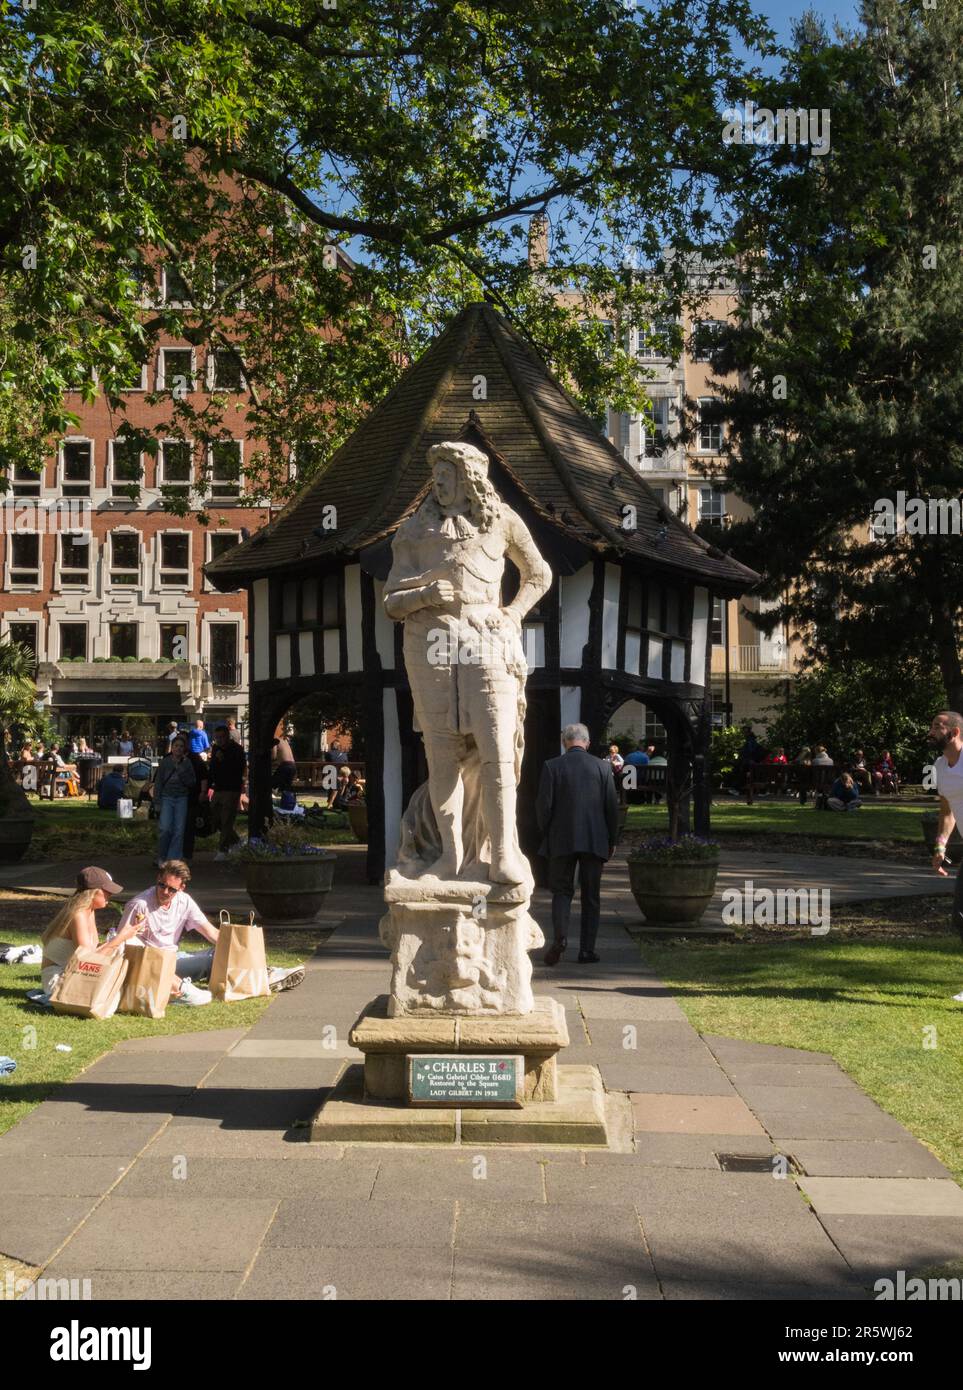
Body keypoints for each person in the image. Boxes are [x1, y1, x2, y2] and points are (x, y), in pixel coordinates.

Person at [106, 860, 305, 1003]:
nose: (165, 892)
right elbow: (122, 943)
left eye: (172, 889)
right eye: (162, 885)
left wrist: (241, 950)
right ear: (158, 879)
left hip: (174, 958)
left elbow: (212, 934)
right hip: (151, 963)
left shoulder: (184, 902)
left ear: (182, 888)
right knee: (209, 962)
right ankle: (261, 979)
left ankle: (264, 974)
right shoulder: (139, 904)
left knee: (217, 953)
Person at [536, 722, 620, 966]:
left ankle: (560, 938)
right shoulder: (603, 768)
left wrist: (548, 832)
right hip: (594, 839)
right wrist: (611, 839)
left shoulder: (552, 766)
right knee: (591, 896)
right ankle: (587, 950)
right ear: (588, 743)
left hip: (561, 839)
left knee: (561, 892)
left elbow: (543, 807)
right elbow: (611, 808)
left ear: (565, 742)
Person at [37, 867, 125, 1006]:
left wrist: (117, 942)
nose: (111, 894)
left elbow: (92, 950)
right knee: (115, 996)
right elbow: (88, 961)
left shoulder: (89, 911)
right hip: (58, 980)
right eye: (107, 891)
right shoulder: (78, 914)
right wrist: (121, 938)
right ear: (93, 892)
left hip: (74, 973)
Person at [926, 711, 963, 1002]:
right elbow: (947, 811)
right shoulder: (940, 765)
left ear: (955, 730)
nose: (933, 730)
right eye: (932, 726)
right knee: (960, 917)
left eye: (939, 725)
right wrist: (941, 846)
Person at [153, 734, 196, 863]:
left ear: (184, 749)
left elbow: (192, 782)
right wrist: (157, 801)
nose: (178, 748)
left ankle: (173, 860)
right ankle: (162, 856)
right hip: (167, 798)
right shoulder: (165, 762)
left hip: (181, 798)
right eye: (176, 746)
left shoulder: (187, 763)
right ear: (172, 748)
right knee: (165, 829)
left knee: (179, 830)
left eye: (181, 746)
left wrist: (182, 771)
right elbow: (158, 782)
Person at [208, 723, 247, 860]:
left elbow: (238, 769)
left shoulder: (237, 750)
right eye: (217, 737)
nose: (219, 740)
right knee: (214, 818)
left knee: (226, 819)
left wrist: (223, 760)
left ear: (227, 737)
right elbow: (212, 768)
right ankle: (236, 841)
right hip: (218, 788)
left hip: (231, 788)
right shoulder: (215, 748)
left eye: (222, 737)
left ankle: (223, 849)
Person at [180, 743, 210, 863]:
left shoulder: (194, 759)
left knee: (188, 826)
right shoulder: (169, 759)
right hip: (174, 796)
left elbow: (203, 776)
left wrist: (203, 792)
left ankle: (186, 854)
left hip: (191, 797)